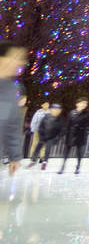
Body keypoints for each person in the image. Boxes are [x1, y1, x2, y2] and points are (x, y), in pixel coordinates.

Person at [0, 42, 26, 176]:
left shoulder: (11, 90)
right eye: (15, 57)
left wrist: (15, 156)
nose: (20, 62)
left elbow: (12, 125)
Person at [58, 98, 89, 174]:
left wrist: (87, 129)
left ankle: (78, 167)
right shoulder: (71, 113)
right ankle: (63, 166)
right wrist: (62, 135)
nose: (84, 105)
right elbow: (67, 124)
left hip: (81, 135)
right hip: (71, 134)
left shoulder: (87, 113)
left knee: (79, 153)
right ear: (77, 104)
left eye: (85, 104)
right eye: (82, 103)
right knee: (66, 152)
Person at [29, 102, 61, 168]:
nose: (46, 106)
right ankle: (32, 157)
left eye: (48, 104)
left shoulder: (50, 113)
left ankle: (42, 158)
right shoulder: (38, 112)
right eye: (45, 104)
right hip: (37, 130)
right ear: (42, 105)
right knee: (35, 144)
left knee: (44, 146)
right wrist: (32, 129)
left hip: (47, 132)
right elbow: (34, 121)